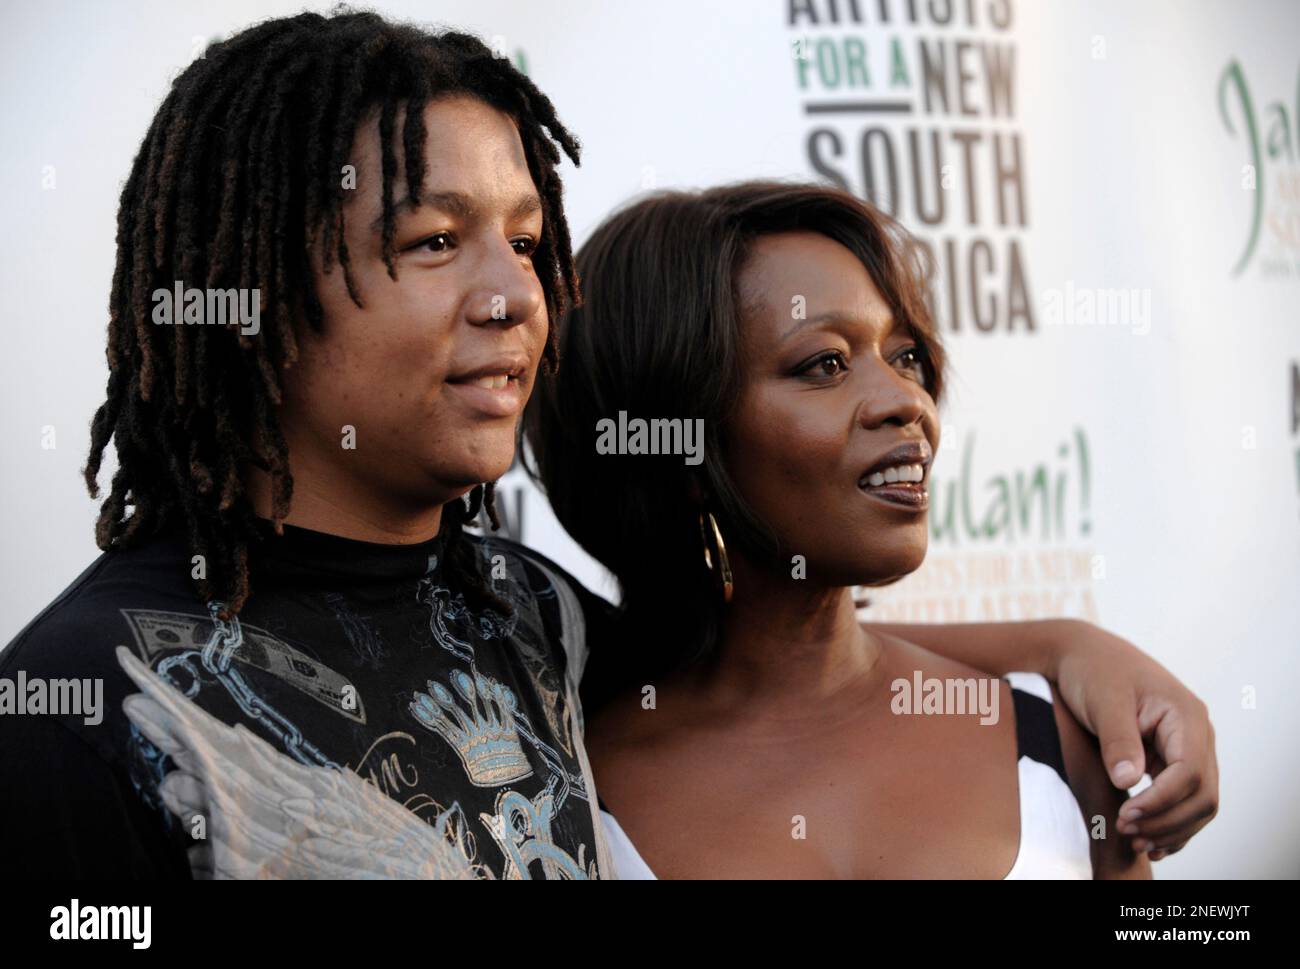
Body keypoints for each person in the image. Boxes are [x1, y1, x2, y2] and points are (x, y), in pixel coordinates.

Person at [0, 11, 1214, 879]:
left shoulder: (527, 616)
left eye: (527, 243)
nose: (515, 298)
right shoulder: (77, 704)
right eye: (436, 242)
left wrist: (1067, 647)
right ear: (250, 287)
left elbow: (783, 659)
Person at [525, 182, 1201, 877]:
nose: (905, 400)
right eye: (825, 364)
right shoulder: (564, 796)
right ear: (682, 444)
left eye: (904, 356)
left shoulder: (1061, 740)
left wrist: (1068, 644)